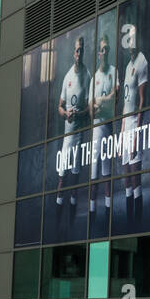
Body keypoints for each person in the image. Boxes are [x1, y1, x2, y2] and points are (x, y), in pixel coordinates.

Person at [56, 35, 90, 210]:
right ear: (73, 52)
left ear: (84, 52)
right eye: (77, 50)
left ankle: (72, 211)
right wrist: (66, 114)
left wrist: (80, 115)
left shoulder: (88, 76)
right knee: (63, 176)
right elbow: (60, 107)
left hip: (79, 137)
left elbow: (90, 109)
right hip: (67, 137)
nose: (79, 53)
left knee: (76, 177)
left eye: (81, 50)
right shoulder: (67, 76)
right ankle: (59, 209)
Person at [120, 22, 148, 224]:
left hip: (135, 123)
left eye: (134, 39)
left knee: (135, 174)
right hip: (125, 124)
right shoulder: (128, 66)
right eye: (129, 39)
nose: (132, 43)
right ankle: (129, 219)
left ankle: (138, 219)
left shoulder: (141, 62)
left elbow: (142, 100)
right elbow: (125, 103)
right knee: (126, 176)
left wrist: (137, 132)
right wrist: (122, 133)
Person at [89, 34, 118, 214]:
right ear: (99, 53)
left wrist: (101, 101)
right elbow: (91, 109)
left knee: (107, 172)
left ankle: (108, 210)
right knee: (94, 172)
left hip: (108, 127)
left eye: (106, 48)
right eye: (102, 49)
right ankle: (92, 211)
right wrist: (100, 103)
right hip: (96, 129)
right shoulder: (94, 78)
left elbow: (114, 97)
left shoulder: (114, 72)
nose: (104, 51)